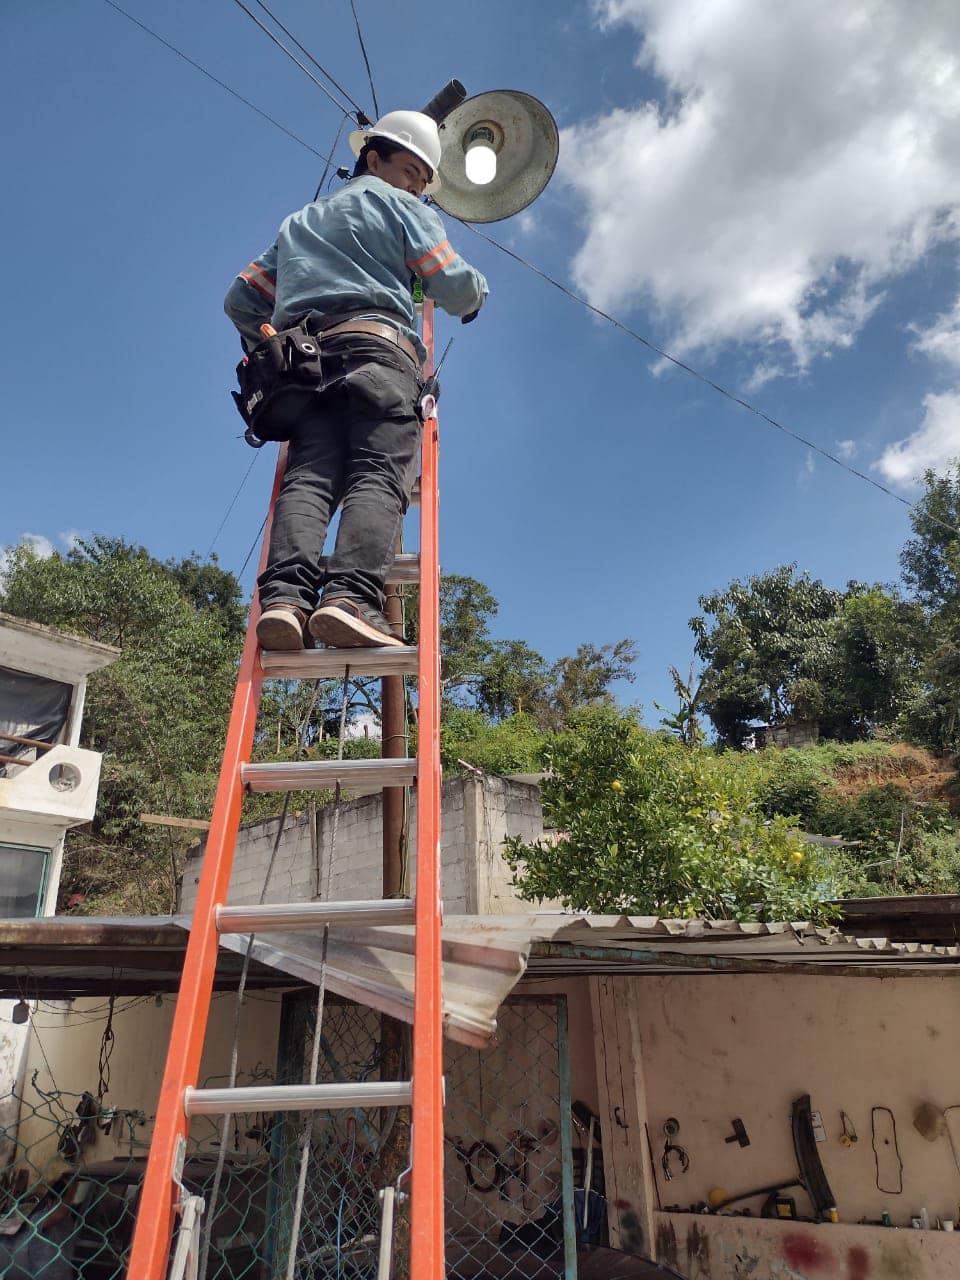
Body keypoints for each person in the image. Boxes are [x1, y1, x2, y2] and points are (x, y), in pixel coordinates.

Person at [225, 109, 489, 651]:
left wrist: (269, 342)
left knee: (310, 479)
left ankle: (283, 603)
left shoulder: (299, 223)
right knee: (377, 472)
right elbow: (453, 286)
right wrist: (478, 291)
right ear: (373, 158)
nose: (416, 186)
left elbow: (241, 300)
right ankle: (348, 600)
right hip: (379, 351)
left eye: (422, 178)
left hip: (306, 366)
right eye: (411, 171)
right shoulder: (400, 209)